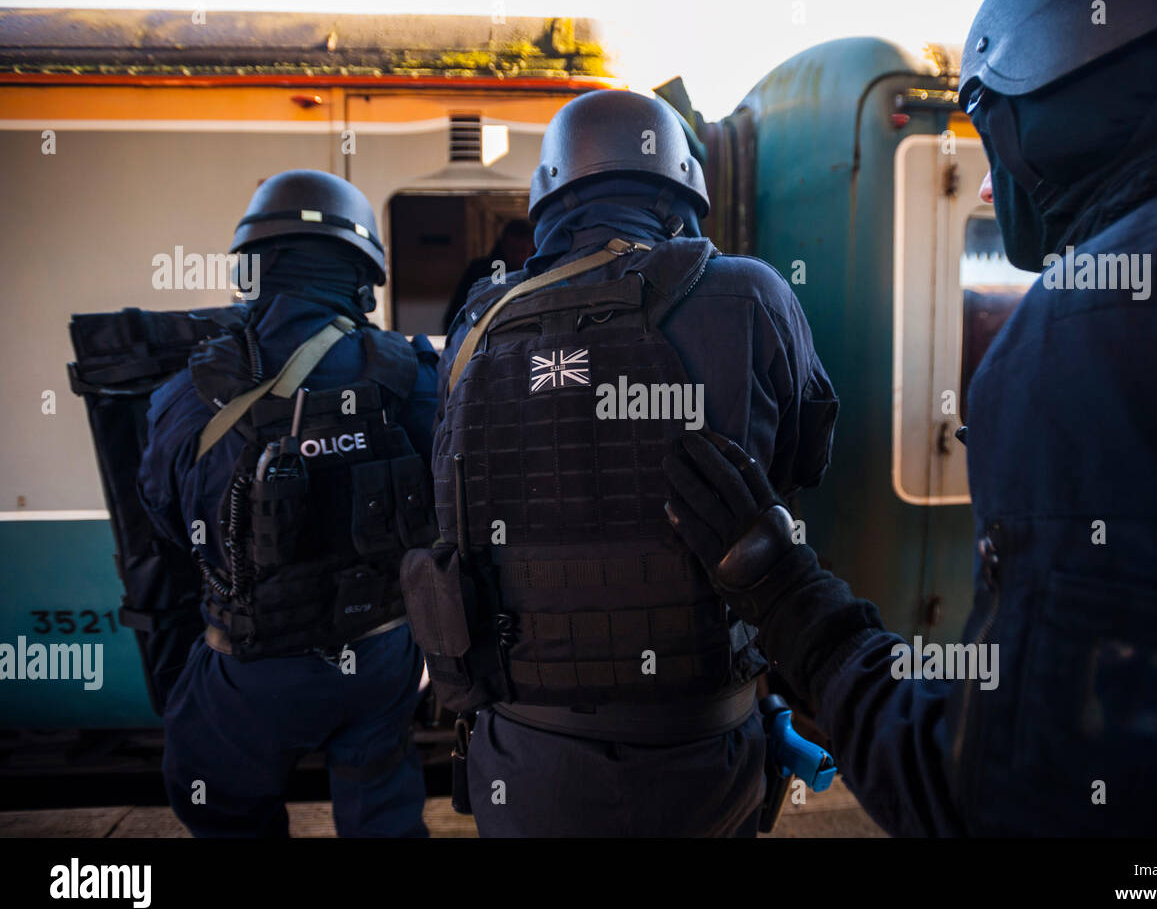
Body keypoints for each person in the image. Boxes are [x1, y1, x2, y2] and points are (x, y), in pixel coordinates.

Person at [662, 0, 1157, 837]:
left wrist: (789, 602)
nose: (992, 188)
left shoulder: (1100, 328)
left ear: (1045, 91)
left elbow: (1004, 792)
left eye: (986, 126)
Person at [413, 90, 838, 837]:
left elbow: (448, 501)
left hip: (523, 759)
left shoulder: (476, 326)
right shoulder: (754, 295)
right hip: (703, 751)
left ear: (550, 196)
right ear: (681, 191)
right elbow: (804, 460)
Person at [138, 170, 440, 837]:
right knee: (383, 806)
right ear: (362, 280)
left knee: (219, 802)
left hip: (248, 664)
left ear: (252, 269)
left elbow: (161, 515)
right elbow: (454, 494)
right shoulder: (408, 374)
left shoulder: (189, 393)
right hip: (381, 654)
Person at [441, 219, 534, 333]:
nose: (518, 256)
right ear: (504, 247)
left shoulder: (539, 273)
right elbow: (458, 312)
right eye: (514, 251)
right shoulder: (480, 272)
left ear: (531, 247)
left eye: (522, 250)